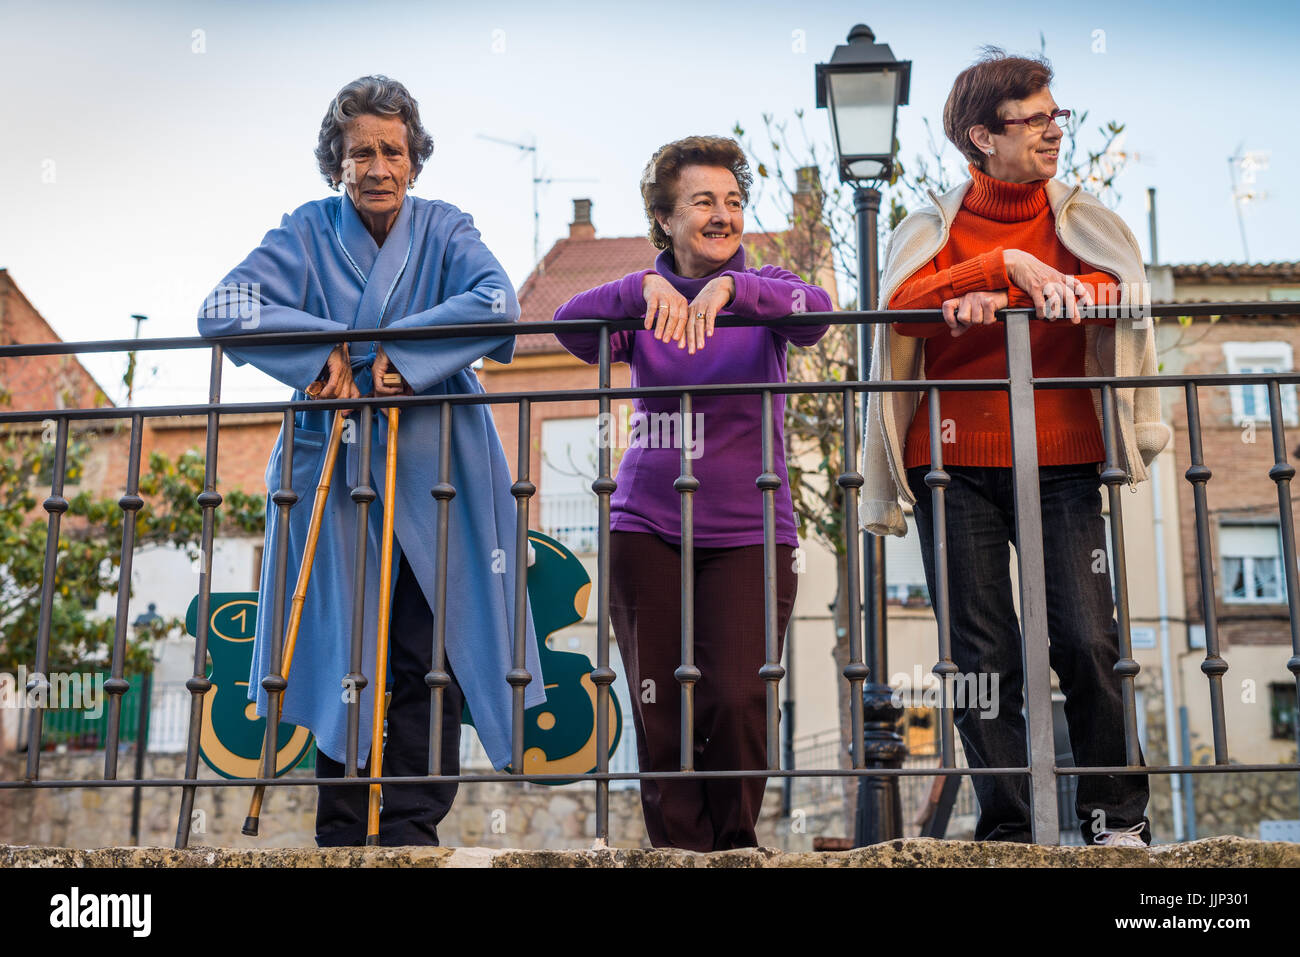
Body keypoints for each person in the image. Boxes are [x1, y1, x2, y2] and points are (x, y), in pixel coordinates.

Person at [197, 75, 544, 847]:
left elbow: (496, 302)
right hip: (334, 469)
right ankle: (344, 828)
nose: (378, 166)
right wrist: (319, 350)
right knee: (341, 650)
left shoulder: (448, 229)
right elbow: (221, 307)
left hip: (439, 472)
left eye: (393, 150)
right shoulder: (304, 231)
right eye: (361, 153)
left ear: (415, 161)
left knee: (431, 655)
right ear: (336, 164)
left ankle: (414, 826)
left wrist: (399, 355)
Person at [859, 49, 1170, 847]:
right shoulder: (934, 224)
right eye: (1033, 120)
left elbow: (1122, 292)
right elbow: (899, 308)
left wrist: (1034, 292)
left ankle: (1116, 820)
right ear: (981, 136)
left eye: (1055, 115)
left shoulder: (1081, 217)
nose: (1053, 131)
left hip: (1063, 460)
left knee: (1088, 638)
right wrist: (1003, 266)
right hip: (951, 466)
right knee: (981, 656)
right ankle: (1009, 824)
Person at [554, 136, 832, 850]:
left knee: (736, 695)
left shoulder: (766, 291)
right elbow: (566, 328)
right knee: (659, 703)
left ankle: (735, 843)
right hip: (646, 520)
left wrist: (734, 289)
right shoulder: (642, 304)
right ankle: (679, 849)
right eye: (703, 201)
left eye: (734, 201)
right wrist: (637, 289)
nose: (723, 215)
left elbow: (817, 311)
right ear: (666, 219)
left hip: (750, 527)